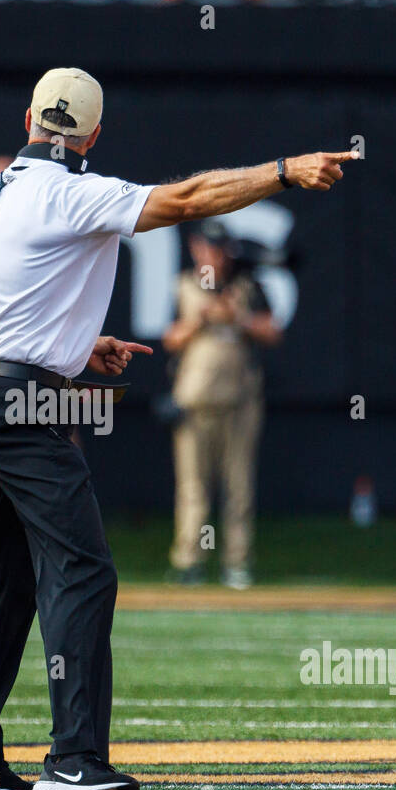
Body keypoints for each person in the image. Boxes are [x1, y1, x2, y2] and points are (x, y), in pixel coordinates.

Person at [0, 67, 356, 790]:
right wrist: (282, 172)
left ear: (29, 117)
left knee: (6, 578)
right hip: (27, 403)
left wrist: (73, 347)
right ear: (94, 134)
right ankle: (72, 760)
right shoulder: (75, 191)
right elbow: (186, 200)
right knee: (83, 570)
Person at [163, 220, 280, 590]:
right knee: (193, 486)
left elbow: (273, 332)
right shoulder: (183, 285)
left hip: (240, 401)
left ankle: (237, 562)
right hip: (194, 400)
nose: (214, 255)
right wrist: (199, 320)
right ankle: (189, 560)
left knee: (239, 485)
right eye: (208, 248)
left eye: (220, 249)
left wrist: (238, 318)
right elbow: (169, 338)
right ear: (197, 248)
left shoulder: (247, 286)